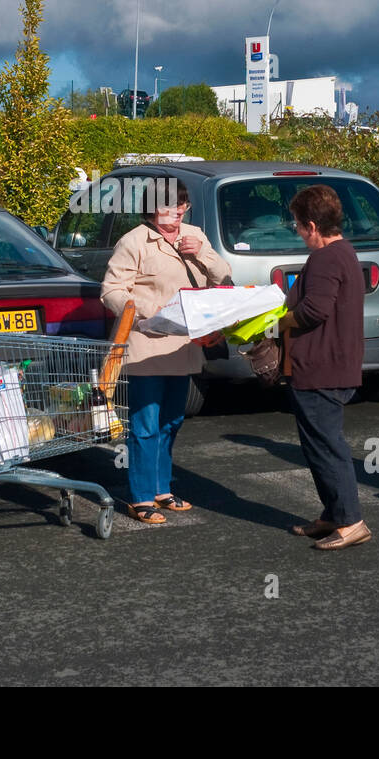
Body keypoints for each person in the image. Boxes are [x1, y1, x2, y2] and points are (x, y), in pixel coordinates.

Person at [100, 176, 231, 524]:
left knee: (172, 420)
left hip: (185, 346)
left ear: (186, 206)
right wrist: (146, 312)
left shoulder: (196, 236)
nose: (172, 212)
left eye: (179, 205)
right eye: (164, 205)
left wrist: (200, 252)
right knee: (145, 424)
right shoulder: (134, 241)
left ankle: (162, 489)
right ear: (151, 209)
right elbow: (111, 290)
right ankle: (140, 497)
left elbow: (223, 276)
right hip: (146, 345)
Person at [277, 185, 372, 551]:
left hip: (321, 367)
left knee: (326, 446)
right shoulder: (345, 252)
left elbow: (315, 310)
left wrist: (281, 322)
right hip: (332, 364)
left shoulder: (325, 258)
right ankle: (335, 513)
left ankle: (350, 520)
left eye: (299, 225)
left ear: (313, 225)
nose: (298, 232)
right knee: (319, 445)